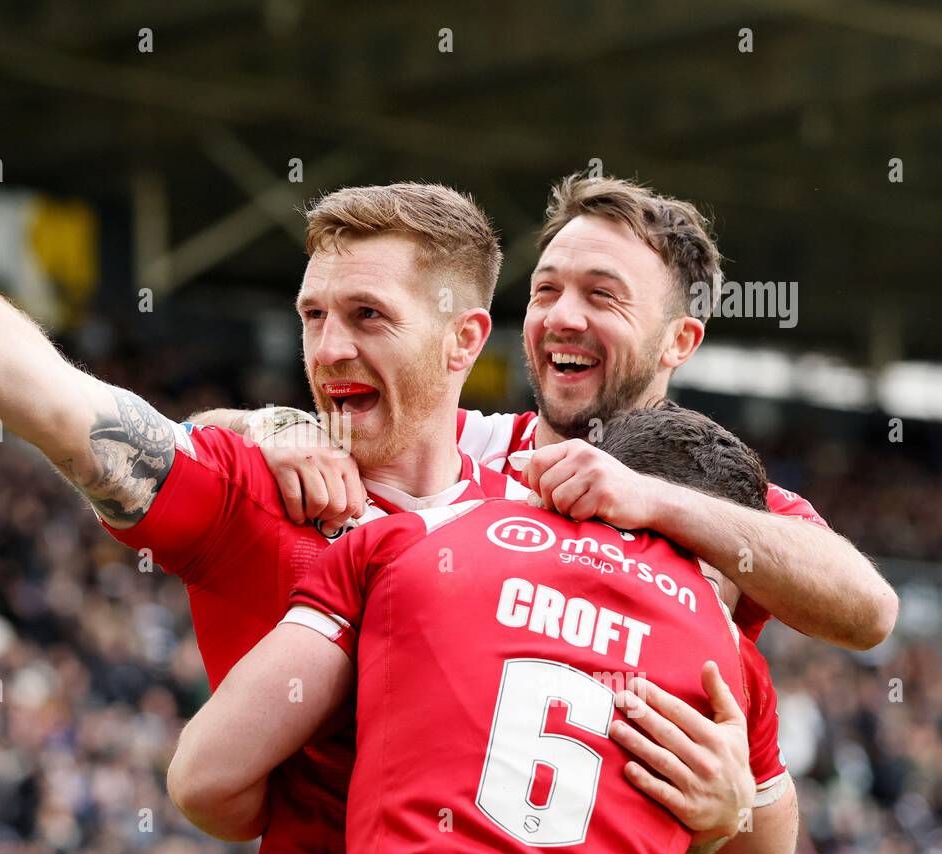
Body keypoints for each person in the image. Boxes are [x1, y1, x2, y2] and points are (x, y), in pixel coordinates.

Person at [0, 136, 759, 854]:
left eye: (366, 315)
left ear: (461, 342)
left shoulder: (568, 504)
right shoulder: (255, 492)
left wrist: (717, 815)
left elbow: (822, 660)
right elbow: (57, 404)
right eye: (312, 314)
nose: (326, 348)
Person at [212, 174, 898, 653]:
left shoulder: (709, 497)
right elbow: (193, 441)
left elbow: (868, 611)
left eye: (602, 296)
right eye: (547, 291)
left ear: (679, 341)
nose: (562, 318)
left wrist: (650, 501)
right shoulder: (455, 447)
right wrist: (277, 424)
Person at [169, 402, 797, 854]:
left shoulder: (422, 538)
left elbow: (204, 779)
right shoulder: (732, 667)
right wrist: (718, 823)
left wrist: (319, 798)